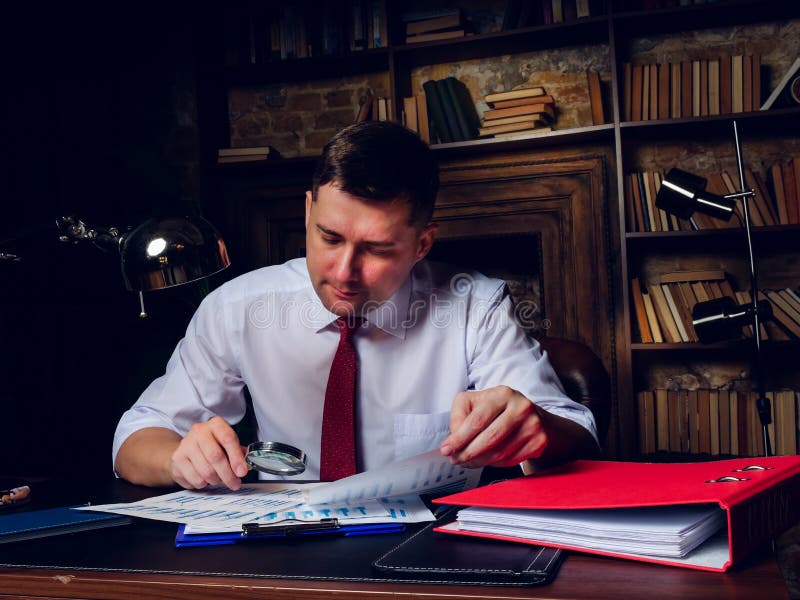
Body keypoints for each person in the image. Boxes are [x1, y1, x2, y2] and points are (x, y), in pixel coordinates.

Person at [113, 120, 599, 490]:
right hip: (288, 557)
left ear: (422, 245)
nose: (344, 271)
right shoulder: (237, 307)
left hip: (427, 557)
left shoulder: (476, 306)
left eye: (378, 249)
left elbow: (578, 431)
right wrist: (177, 458)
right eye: (329, 236)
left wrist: (537, 430)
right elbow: (134, 439)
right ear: (308, 211)